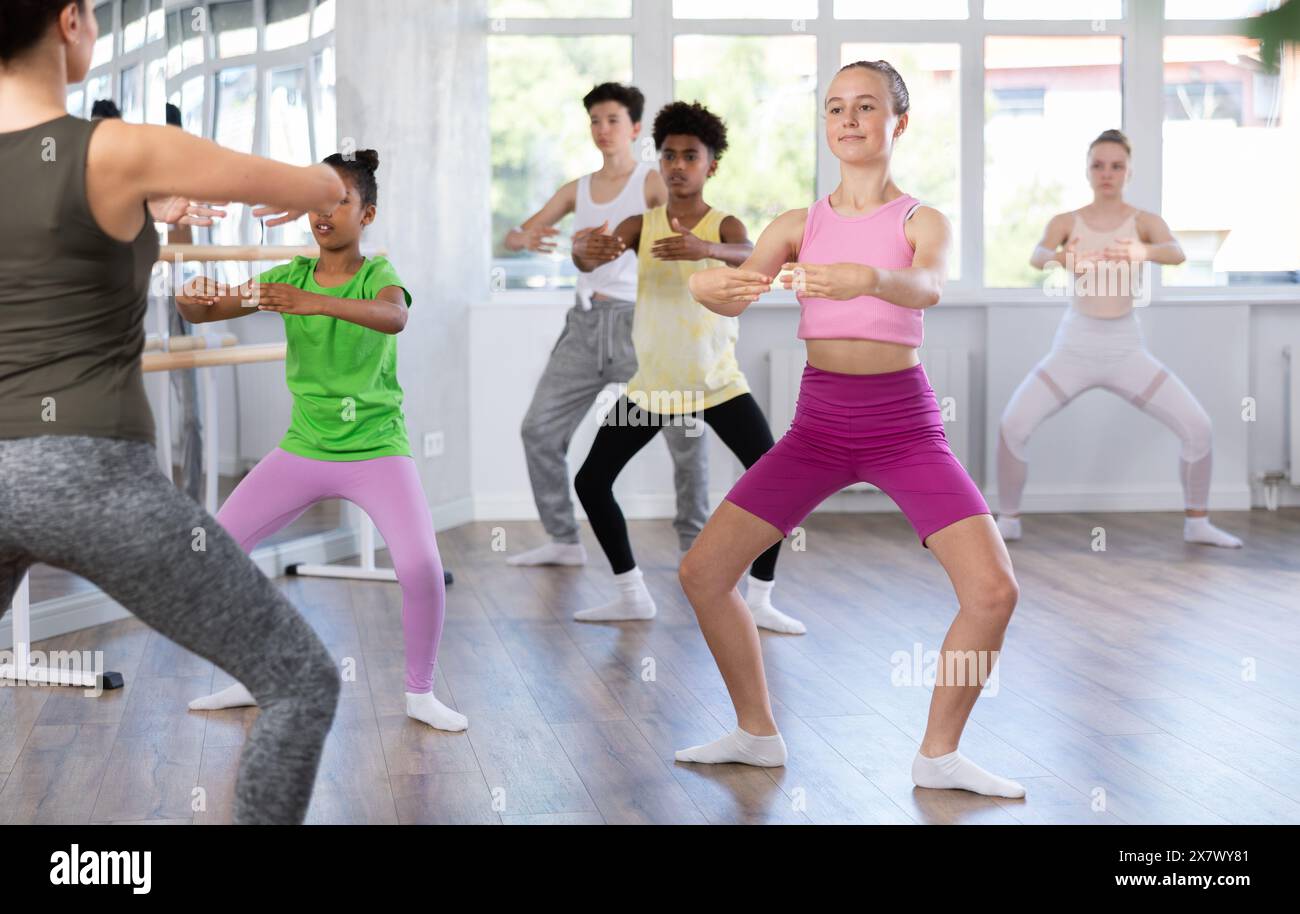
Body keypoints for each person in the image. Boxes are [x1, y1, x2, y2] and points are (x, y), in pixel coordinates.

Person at [0, 0, 347, 824]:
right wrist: (328, 185)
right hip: (90, 478)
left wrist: (147, 215)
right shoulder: (115, 148)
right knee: (300, 681)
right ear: (72, 20)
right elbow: (312, 185)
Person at [677, 61, 1025, 798]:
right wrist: (711, 284)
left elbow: (928, 284)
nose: (849, 119)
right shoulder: (797, 225)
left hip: (904, 425)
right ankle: (755, 733)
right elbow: (733, 297)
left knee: (993, 590)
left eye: (866, 106)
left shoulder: (919, 220)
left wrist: (869, 279)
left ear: (898, 122)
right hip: (818, 426)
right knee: (703, 574)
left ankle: (939, 754)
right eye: (836, 107)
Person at [175, 150, 467, 732]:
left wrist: (312, 302)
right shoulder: (286, 276)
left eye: (341, 201)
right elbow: (204, 310)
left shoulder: (378, 273)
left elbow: (393, 319)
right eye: (317, 201)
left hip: (377, 448)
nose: (324, 214)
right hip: (304, 448)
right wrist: (194, 289)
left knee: (419, 566)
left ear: (368, 214)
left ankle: (420, 694)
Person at [571, 101, 803, 634]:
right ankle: (631, 593)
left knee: (779, 482)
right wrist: (586, 251)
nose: (677, 165)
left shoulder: (725, 225)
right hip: (654, 391)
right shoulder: (642, 224)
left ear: (710, 165)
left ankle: (761, 599)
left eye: (690, 156)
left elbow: (756, 255)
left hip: (719, 386)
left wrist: (704, 248)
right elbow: (590, 260)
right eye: (669, 155)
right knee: (591, 480)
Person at [996, 128, 1242, 548]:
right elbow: (1036, 255)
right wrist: (1060, 257)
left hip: (1126, 347)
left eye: (1116, 166)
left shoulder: (1143, 221)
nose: (1106, 173)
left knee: (1198, 427)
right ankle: (1009, 520)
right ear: (1087, 170)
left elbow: (1177, 251)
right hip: (1074, 345)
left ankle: (1197, 523)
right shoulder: (1065, 222)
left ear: (1128, 172)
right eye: (1098, 165)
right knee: (1013, 424)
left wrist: (1141, 252)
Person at [504, 83, 710, 567]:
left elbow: (689, 222)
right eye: (595, 120)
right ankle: (562, 538)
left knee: (685, 435)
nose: (602, 129)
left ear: (635, 128)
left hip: (642, 326)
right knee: (539, 430)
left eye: (613, 120)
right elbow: (516, 234)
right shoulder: (577, 189)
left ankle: (695, 546)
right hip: (585, 326)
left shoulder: (652, 181)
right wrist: (526, 238)